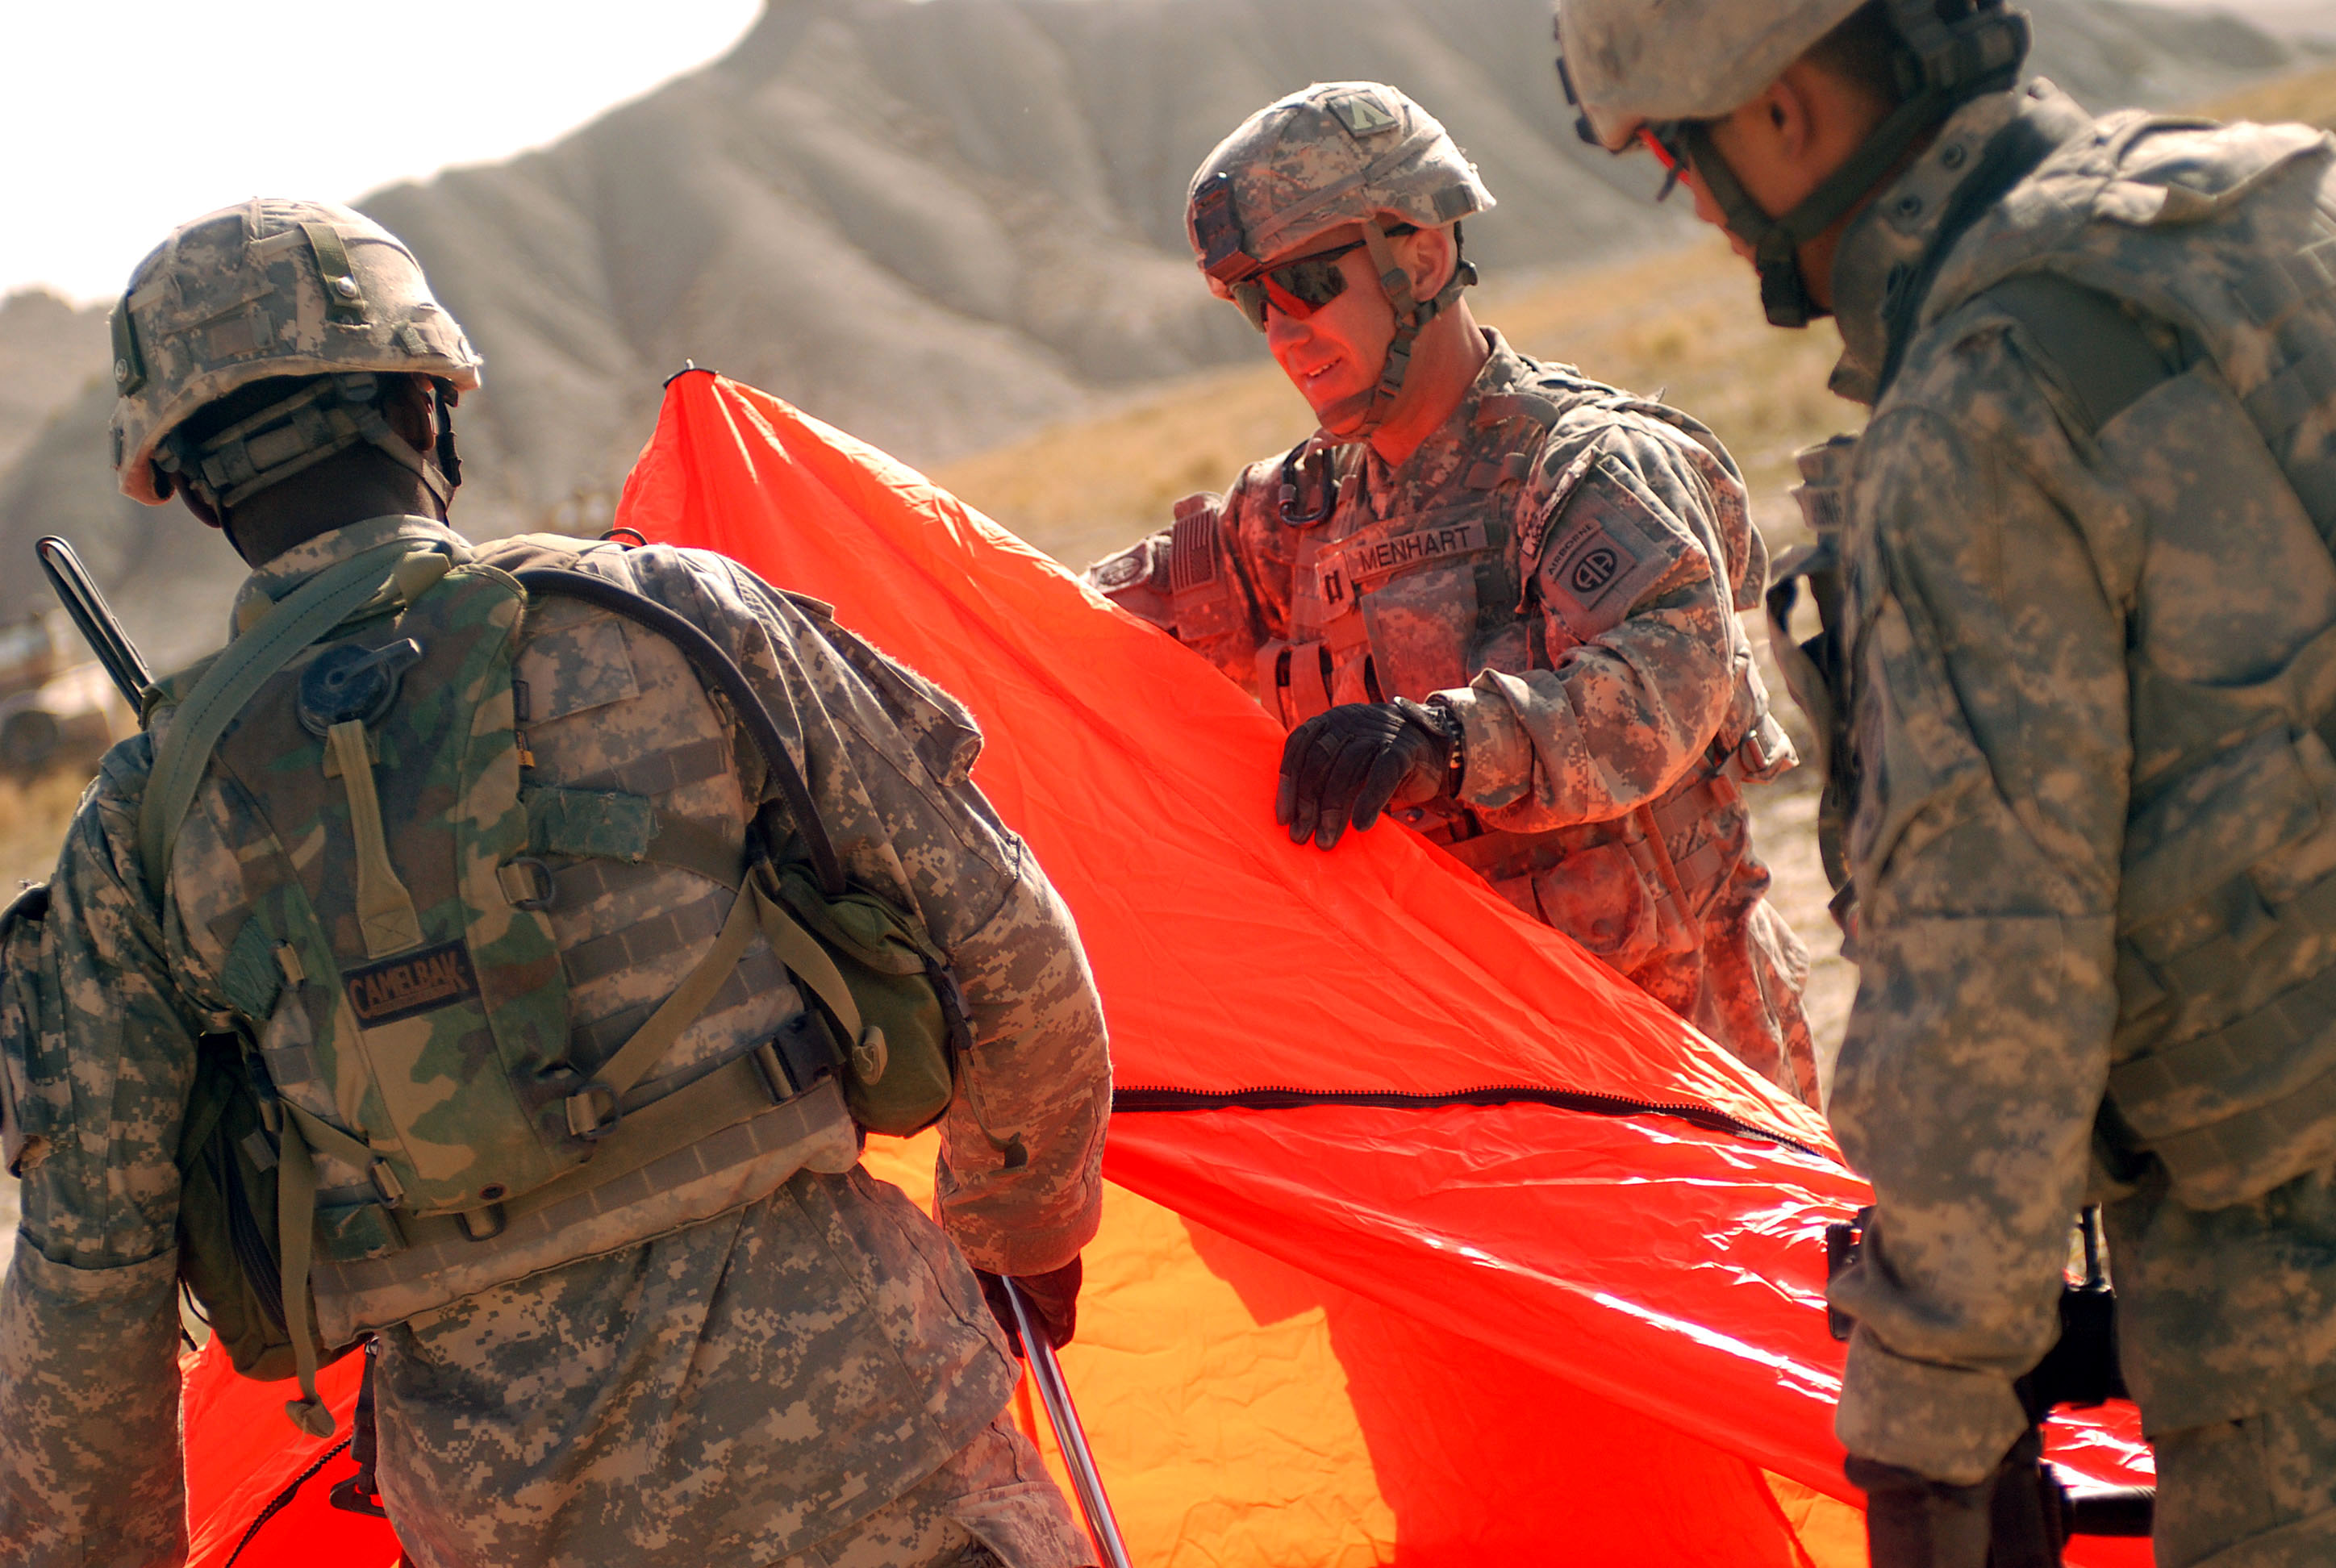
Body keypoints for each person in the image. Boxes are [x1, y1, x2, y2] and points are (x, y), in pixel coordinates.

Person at [0, 198, 1110, 1568]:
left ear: (196, 486)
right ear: (428, 411)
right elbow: (1015, 952)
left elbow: (86, 1280)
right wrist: (1019, 1228)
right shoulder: (683, 618)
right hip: (887, 1459)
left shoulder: (145, 825)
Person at [1554, 0, 2336, 1560]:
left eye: (1678, 165)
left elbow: (1991, 974)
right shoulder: (2281, 206)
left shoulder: (1975, 414)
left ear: (1778, 117)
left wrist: (1925, 1424)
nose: (1702, 216)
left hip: (2285, 1285)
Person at [1086, 81, 1818, 1101]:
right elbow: (1063, 628)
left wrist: (1442, 744)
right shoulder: (1290, 520)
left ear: (1422, 256)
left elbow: (1663, 690)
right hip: (1462, 1088)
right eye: (1257, 302)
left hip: (1678, 1069)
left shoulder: (1588, 468)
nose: (1283, 333)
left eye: (1305, 284)